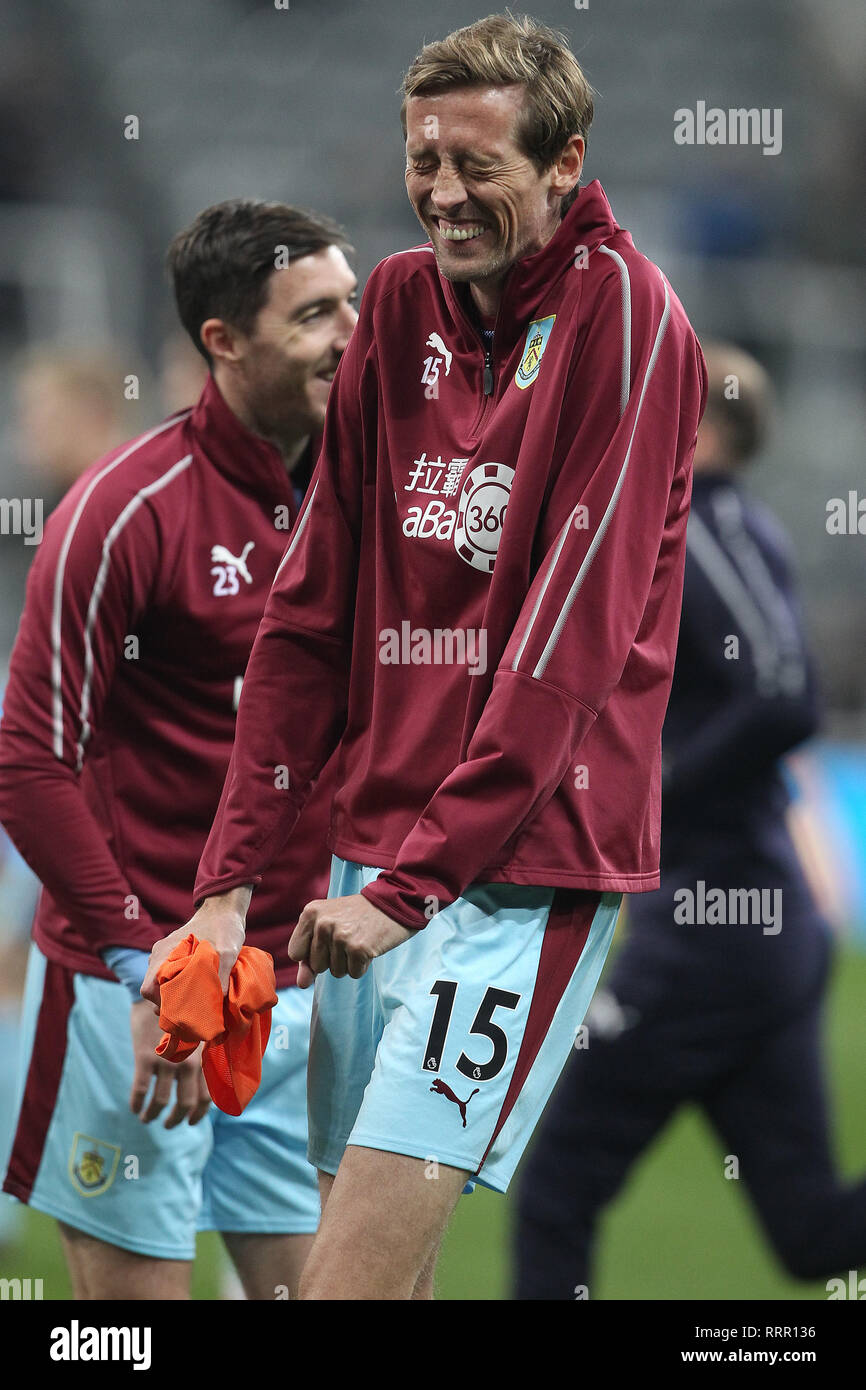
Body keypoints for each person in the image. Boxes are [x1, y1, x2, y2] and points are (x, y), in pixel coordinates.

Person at [143, 14, 706, 1301]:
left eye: (477, 165)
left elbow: (568, 644)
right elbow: (309, 614)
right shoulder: (395, 302)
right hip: (369, 861)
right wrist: (225, 886)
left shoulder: (627, 317)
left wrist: (412, 891)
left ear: (563, 164)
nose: (442, 193)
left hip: (514, 875)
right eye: (423, 161)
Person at [0, 199, 358, 1300]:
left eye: (351, 305)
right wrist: (136, 964)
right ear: (224, 340)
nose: (349, 335)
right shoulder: (124, 511)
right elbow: (27, 756)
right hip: (139, 994)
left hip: (300, 987)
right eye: (313, 315)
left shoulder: (371, 495)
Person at [513, 343, 866, 1299]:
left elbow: (785, 696)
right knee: (811, 1233)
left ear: (695, 422)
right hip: (757, 932)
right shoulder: (739, 527)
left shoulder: (704, 522)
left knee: (555, 1189)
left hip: (710, 940)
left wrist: (648, 793)